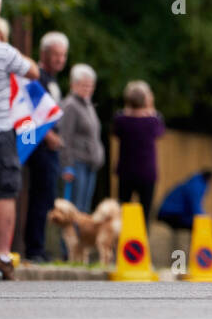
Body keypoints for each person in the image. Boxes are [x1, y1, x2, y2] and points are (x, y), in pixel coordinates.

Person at [0, 17, 38, 279]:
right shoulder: (4, 53)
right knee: (6, 190)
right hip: (1, 129)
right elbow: (34, 71)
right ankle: (1, 254)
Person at [23, 31, 68, 262]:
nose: (60, 59)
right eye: (56, 55)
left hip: (51, 148)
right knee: (40, 196)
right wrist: (48, 134)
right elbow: (31, 109)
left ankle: (40, 247)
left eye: (63, 55)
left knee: (47, 196)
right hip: (38, 146)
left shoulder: (54, 80)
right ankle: (34, 249)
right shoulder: (36, 77)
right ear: (44, 54)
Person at [112, 80, 165, 221]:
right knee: (145, 213)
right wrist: (151, 107)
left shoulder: (120, 119)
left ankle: (121, 241)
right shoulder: (153, 121)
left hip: (125, 172)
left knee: (122, 211)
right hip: (147, 173)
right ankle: (143, 240)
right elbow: (160, 131)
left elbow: (116, 130)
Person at [57, 63, 104, 214]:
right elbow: (65, 137)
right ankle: (69, 238)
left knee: (84, 209)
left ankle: (80, 238)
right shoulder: (71, 106)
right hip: (77, 163)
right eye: (84, 85)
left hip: (90, 163)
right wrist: (67, 165)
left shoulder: (88, 105)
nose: (88, 89)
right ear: (73, 85)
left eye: (91, 86)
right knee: (74, 210)